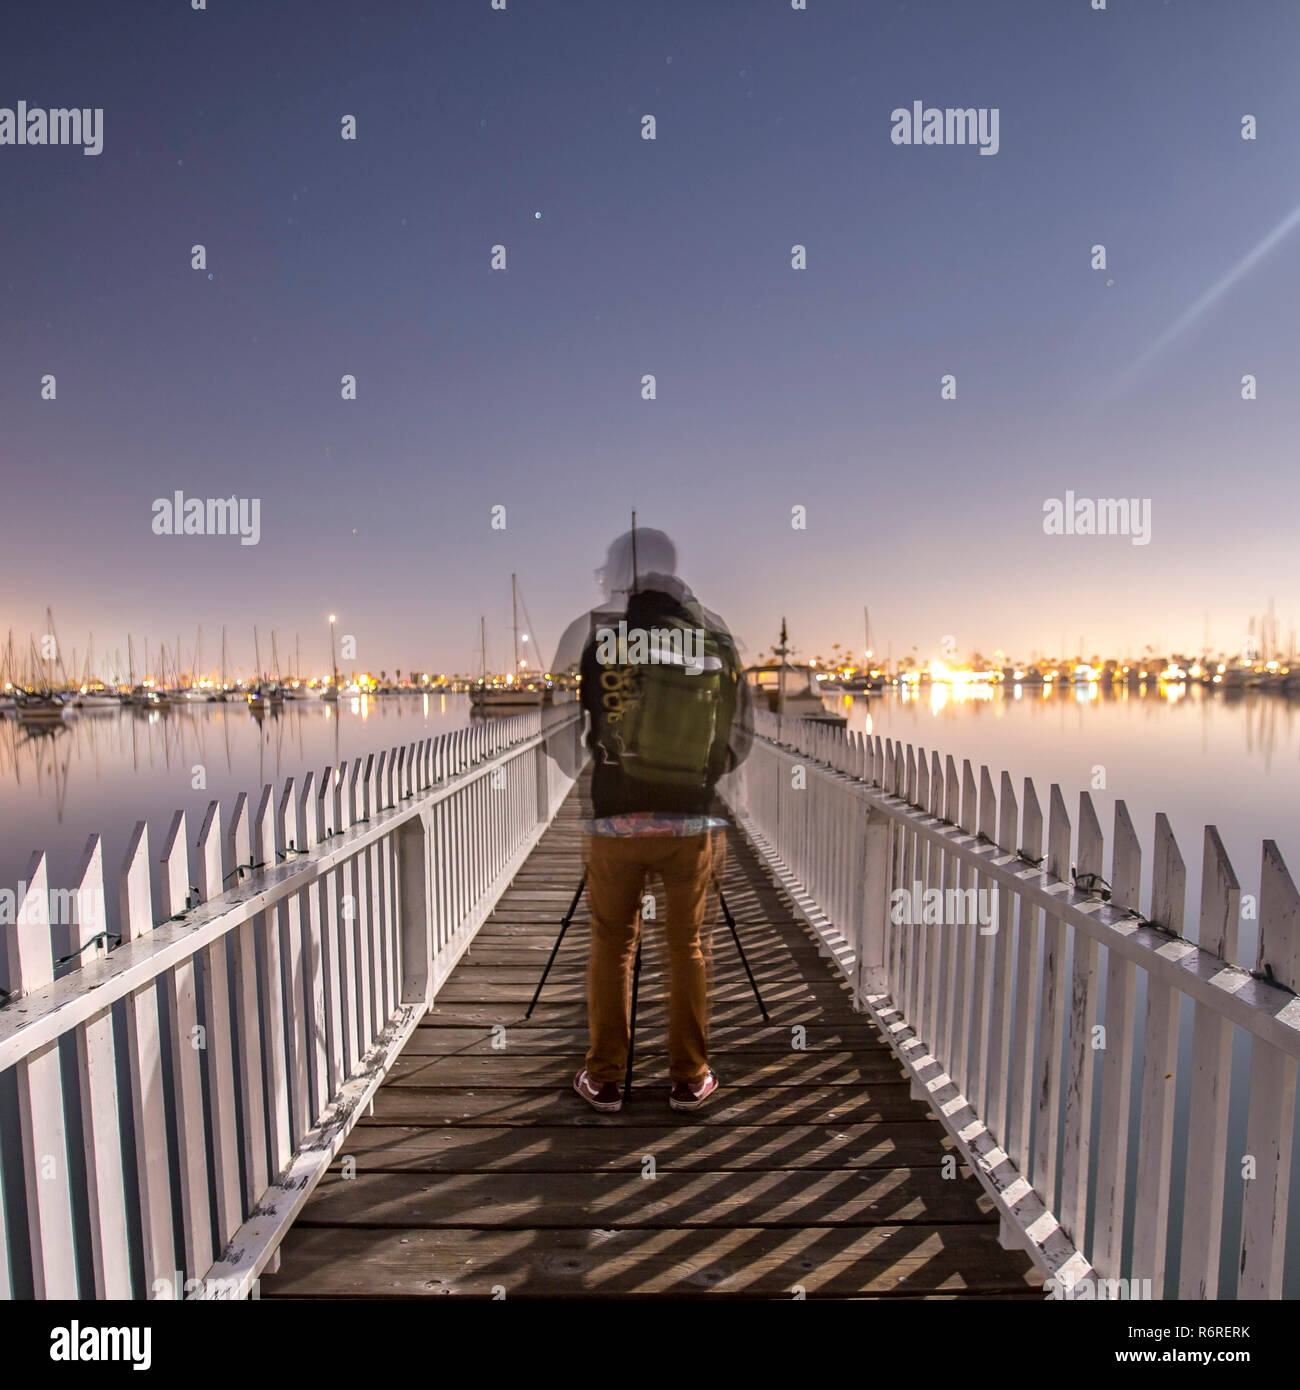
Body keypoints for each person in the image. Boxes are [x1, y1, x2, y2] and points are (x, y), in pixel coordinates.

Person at [557, 526, 751, 1113]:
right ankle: (689, 1077)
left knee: (613, 945)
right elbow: (739, 737)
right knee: (686, 945)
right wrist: (702, 775)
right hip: (689, 820)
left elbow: (583, 729)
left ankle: (605, 1079)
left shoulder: (603, 643)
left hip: (614, 820)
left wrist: (612, 768)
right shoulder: (714, 643)